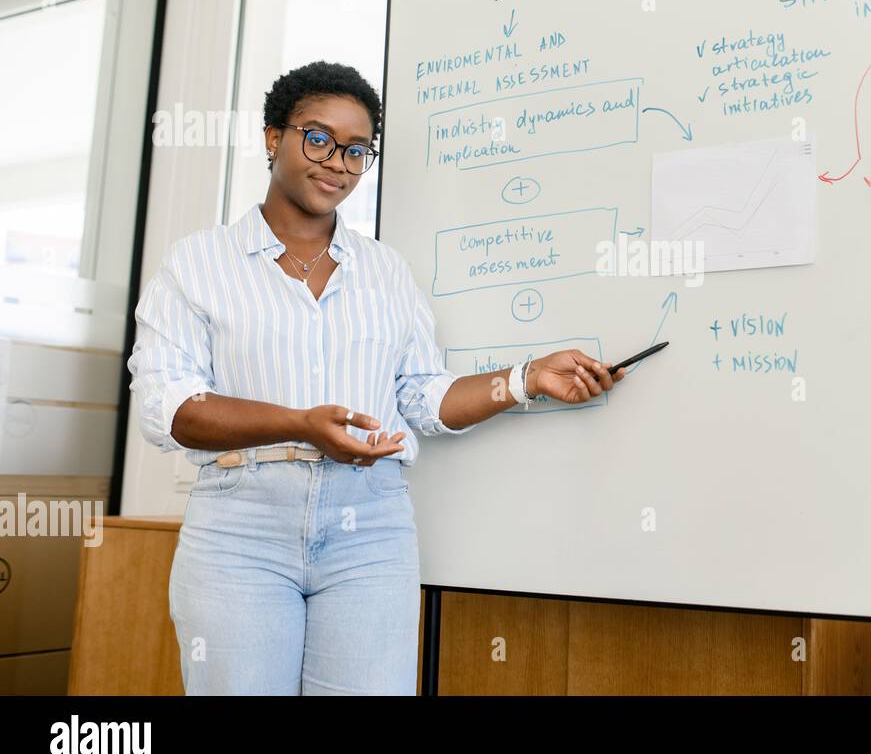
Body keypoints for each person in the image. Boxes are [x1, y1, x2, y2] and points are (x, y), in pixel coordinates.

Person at [126, 61, 624, 694]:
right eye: (318, 138)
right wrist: (299, 424)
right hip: (241, 523)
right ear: (272, 137)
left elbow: (421, 396)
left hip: (371, 525)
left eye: (357, 150)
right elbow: (170, 410)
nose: (338, 162)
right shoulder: (198, 263)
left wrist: (525, 378)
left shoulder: (385, 271)